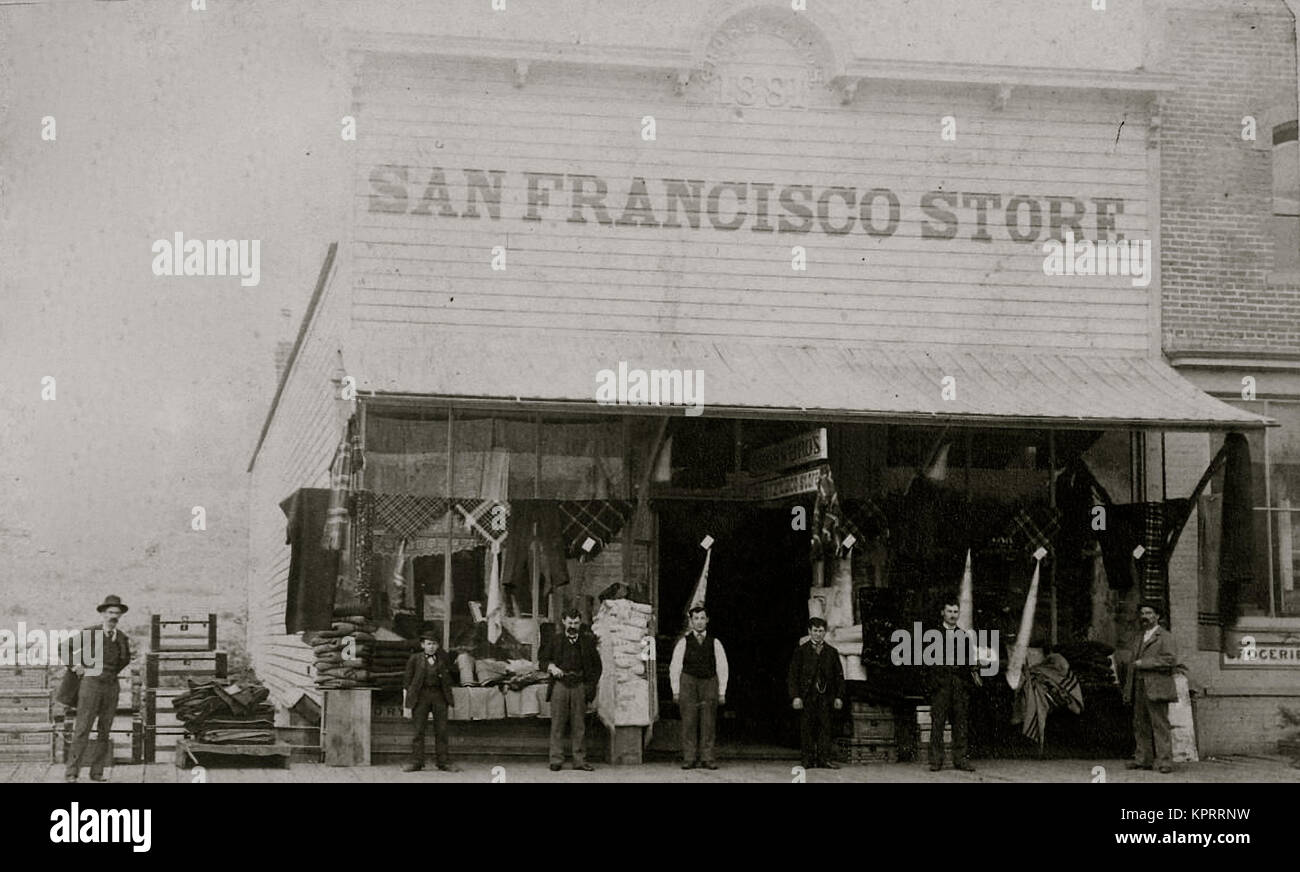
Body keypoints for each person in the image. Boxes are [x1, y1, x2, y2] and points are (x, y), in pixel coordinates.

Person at [63, 595, 132, 783]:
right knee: (82, 728)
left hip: (111, 686)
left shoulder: (122, 638)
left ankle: (97, 773)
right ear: (102, 613)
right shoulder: (90, 633)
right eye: (110, 612)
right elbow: (64, 648)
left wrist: (110, 675)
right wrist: (76, 666)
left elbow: (124, 660)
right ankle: (71, 773)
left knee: (105, 730)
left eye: (117, 613)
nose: (113, 616)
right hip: (91, 684)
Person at [539, 608, 602, 772]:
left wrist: (589, 686)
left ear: (580, 622)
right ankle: (556, 759)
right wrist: (551, 667)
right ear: (563, 621)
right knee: (557, 723)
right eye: (569, 622)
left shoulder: (587, 643)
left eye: (576, 622)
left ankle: (579, 760)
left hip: (579, 685)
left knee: (579, 724)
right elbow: (543, 660)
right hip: (560, 684)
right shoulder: (555, 640)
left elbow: (597, 667)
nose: (572, 625)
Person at [669, 606, 730, 770]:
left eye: (702, 618)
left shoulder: (715, 642)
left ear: (707, 620)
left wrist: (722, 691)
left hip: (709, 682)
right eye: (696, 618)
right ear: (691, 621)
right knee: (689, 721)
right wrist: (676, 690)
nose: (699, 622)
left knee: (708, 721)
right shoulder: (683, 642)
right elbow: (675, 667)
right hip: (688, 682)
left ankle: (707, 757)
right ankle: (689, 757)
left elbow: (722, 667)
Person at [1124, 601, 1179, 774]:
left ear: (1158, 616)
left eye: (1149, 613)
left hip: (1157, 686)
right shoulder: (1139, 636)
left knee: (1160, 724)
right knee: (1140, 724)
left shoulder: (1165, 637)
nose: (1145, 617)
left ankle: (1164, 762)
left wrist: (1145, 663)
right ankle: (1143, 759)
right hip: (1139, 685)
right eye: (1143, 613)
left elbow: (1170, 660)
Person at [787, 617, 845, 769]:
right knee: (806, 728)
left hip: (826, 696)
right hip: (807, 696)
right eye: (815, 631)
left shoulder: (832, 652)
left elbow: (839, 676)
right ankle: (807, 760)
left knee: (825, 727)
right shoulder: (801, 651)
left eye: (821, 631)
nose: (818, 634)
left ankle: (824, 759)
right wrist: (795, 696)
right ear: (809, 631)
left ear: (825, 632)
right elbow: (793, 676)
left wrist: (839, 696)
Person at [928, 599, 976, 772]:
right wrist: (937, 682)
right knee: (938, 724)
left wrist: (964, 683)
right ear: (943, 612)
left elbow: (969, 662)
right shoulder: (932, 635)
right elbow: (927, 662)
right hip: (941, 685)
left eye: (956, 612)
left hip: (959, 685)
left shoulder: (963, 636)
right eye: (949, 611)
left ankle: (961, 759)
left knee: (960, 724)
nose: (953, 615)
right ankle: (935, 761)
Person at [402, 630, 459, 772]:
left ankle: (443, 762)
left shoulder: (443, 659)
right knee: (418, 730)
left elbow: (452, 676)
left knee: (441, 730)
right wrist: (407, 703)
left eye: (434, 644)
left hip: (439, 696)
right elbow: (407, 682)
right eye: (428, 644)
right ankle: (417, 762)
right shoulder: (415, 659)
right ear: (422, 645)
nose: (431, 647)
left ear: (438, 645)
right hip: (421, 696)